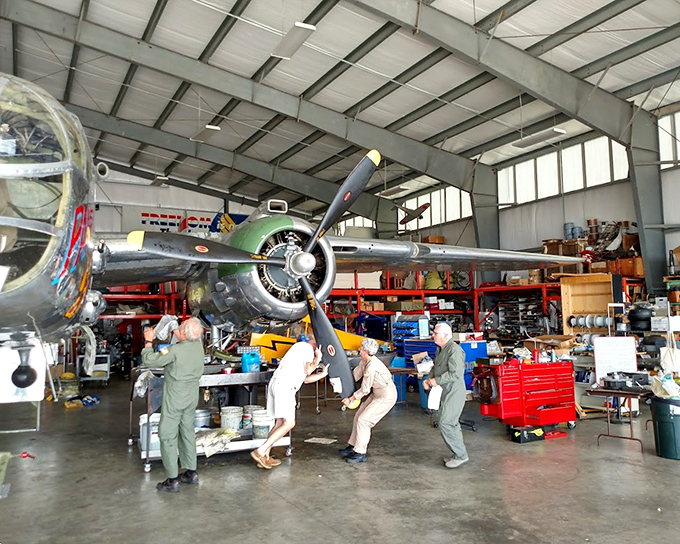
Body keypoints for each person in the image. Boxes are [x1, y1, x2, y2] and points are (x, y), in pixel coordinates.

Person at [140, 317, 205, 492]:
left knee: (167, 434)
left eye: (181, 326)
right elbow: (184, 341)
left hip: (175, 398)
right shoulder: (198, 348)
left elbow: (151, 361)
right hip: (191, 397)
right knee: (187, 431)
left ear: (184, 332)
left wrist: (148, 341)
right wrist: (176, 331)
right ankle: (191, 472)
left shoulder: (174, 351)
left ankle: (172, 479)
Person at [250, 338, 328, 469]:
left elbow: (306, 379)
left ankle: (265, 456)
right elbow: (309, 370)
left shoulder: (298, 349)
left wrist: (323, 374)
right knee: (289, 423)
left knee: (280, 423)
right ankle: (260, 451)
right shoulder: (307, 348)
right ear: (316, 345)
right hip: (285, 387)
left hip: (278, 384)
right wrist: (317, 358)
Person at [339, 338, 397, 464]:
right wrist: (341, 383)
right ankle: (353, 446)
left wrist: (351, 399)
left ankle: (360, 453)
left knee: (364, 421)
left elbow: (364, 389)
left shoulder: (372, 366)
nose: (359, 349)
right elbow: (355, 375)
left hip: (386, 396)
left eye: (361, 348)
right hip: (377, 393)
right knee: (358, 416)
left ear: (364, 351)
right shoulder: (364, 361)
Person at [423, 322, 469, 469]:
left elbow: (455, 374)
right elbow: (436, 367)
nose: (433, 335)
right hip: (444, 391)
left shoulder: (454, 351)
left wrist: (436, 380)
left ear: (445, 336)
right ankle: (458, 454)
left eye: (435, 333)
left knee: (446, 423)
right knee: (450, 423)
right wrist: (428, 379)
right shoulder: (440, 349)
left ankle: (461, 455)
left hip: (454, 392)